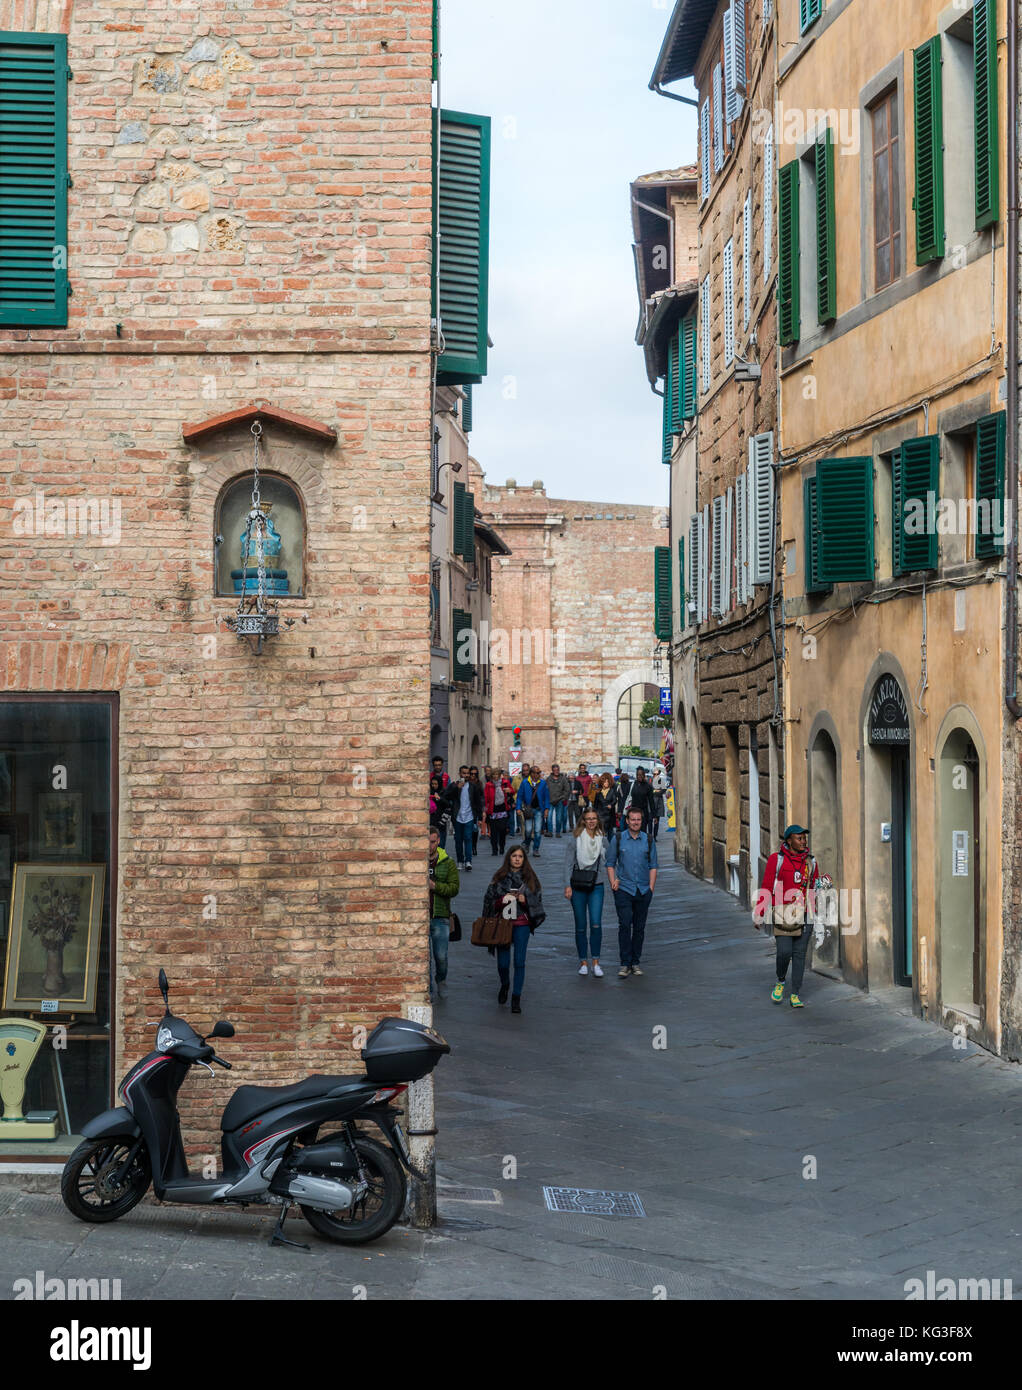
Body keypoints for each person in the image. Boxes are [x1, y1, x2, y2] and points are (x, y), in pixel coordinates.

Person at [754, 824, 821, 1009]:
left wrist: (815, 912)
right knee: (784, 952)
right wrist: (760, 912)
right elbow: (767, 886)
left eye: (804, 838)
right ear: (789, 840)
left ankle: (795, 994)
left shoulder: (811, 862)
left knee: (799, 955)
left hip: (805, 913)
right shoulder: (777, 860)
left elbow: (814, 888)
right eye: (799, 838)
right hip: (784, 913)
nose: (803, 841)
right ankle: (781, 980)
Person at [483, 845, 545, 1014]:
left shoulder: (531, 878)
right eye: (514, 856)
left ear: (524, 859)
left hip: (522, 924)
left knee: (519, 961)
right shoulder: (499, 877)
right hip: (503, 924)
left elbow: (538, 902)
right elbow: (489, 900)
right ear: (509, 858)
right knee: (503, 963)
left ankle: (516, 997)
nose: (517, 859)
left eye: (520, 856)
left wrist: (525, 900)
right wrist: (501, 900)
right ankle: (505, 984)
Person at [606, 805, 658, 977]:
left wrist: (651, 887)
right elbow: (610, 863)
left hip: (643, 890)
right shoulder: (618, 839)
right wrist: (613, 881)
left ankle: (635, 962)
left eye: (638, 819)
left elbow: (653, 866)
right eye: (632, 819)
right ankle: (624, 963)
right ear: (627, 821)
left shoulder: (648, 840)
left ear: (642, 822)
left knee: (640, 928)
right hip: (624, 889)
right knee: (625, 925)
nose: (635, 822)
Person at [564, 805, 607, 977]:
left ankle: (596, 961)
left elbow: (610, 860)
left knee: (596, 923)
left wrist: (615, 878)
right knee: (580, 926)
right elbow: (567, 863)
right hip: (577, 886)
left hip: (597, 885)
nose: (591, 822)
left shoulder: (603, 838)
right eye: (588, 819)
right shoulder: (575, 838)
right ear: (583, 820)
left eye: (594, 819)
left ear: (597, 821)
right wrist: (567, 885)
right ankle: (583, 961)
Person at [428, 827, 459, 999]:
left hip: (440, 916)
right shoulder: (418, 861)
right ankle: (429, 989)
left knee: (441, 956)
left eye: (432, 842)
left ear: (438, 841)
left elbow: (454, 888)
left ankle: (441, 980)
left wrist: (435, 886)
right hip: (421, 916)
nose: (429, 846)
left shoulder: (447, 862)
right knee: (424, 958)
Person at [451, 764, 483, 871]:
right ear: (460, 774)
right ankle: (460, 861)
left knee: (468, 839)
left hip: (469, 817)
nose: (466, 775)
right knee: (458, 840)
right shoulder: (454, 785)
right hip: (458, 817)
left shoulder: (473, 787)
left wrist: (480, 818)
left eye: (467, 773)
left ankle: (468, 861)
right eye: (464, 773)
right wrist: (456, 788)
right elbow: (447, 795)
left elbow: (478, 803)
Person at [516, 765, 550, 857]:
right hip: (529, 810)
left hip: (539, 810)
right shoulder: (525, 783)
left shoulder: (543, 783)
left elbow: (547, 797)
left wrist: (546, 809)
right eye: (537, 773)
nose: (538, 774)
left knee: (538, 831)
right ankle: (527, 844)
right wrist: (518, 808)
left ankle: (536, 849)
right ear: (532, 774)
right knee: (528, 830)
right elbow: (519, 796)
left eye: (539, 772)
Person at [484, 769, 513, 858]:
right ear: (492, 776)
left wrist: (509, 790)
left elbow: (512, 791)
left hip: (503, 809)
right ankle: (494, 849)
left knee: (502, 830)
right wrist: (485, 810)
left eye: (497, 774)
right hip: (493, 810)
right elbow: (486, 798)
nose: (496, 776)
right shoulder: (488, 785)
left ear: (500, 775)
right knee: (493, 831)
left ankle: (502, 846)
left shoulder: (505, 782)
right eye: (494, 774)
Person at [627, 766, 656, 834]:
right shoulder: (633, 784)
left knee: (642, 832)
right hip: (633, 812)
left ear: (644, 775)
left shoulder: (648, 786)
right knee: (633, 831)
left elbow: (651, 801)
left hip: (643, 813)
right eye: (638, 775)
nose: (639, 776)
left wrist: (654, 815)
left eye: (641, 775)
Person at [547, 764, 571, 838]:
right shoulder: (548, 779)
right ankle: (550, 832)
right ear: (552, 771)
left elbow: (567, 789)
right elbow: (545, 789)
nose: (556, 771)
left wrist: (564, 798)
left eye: (557, 770)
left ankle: (558, 832)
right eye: (555, 770)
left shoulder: (563, 779)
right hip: (550, 801)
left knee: (559, 818)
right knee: (549, 817)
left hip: (559, 800)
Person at [569, 763, 591, 830]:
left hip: (586, 796)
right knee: (579, 812)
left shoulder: (589, 777)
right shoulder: (577, 778)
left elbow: (590, 786)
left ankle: (587, 824)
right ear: (579, 769)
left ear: (585, 769)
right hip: (579, 796)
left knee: (587, 811)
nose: (582, 769)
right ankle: (581, 824)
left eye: (583, 768)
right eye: (581, 768)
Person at [469, 767, 482, 855]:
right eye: (471, 774)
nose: (473, 776)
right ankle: (469, 846)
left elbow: (481, 799)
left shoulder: (479, 783)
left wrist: (481, 813)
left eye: (475, 774)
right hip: (467, 810)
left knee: (475, 829)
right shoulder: (466, 783)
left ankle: (474, 846)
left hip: (475, 810)